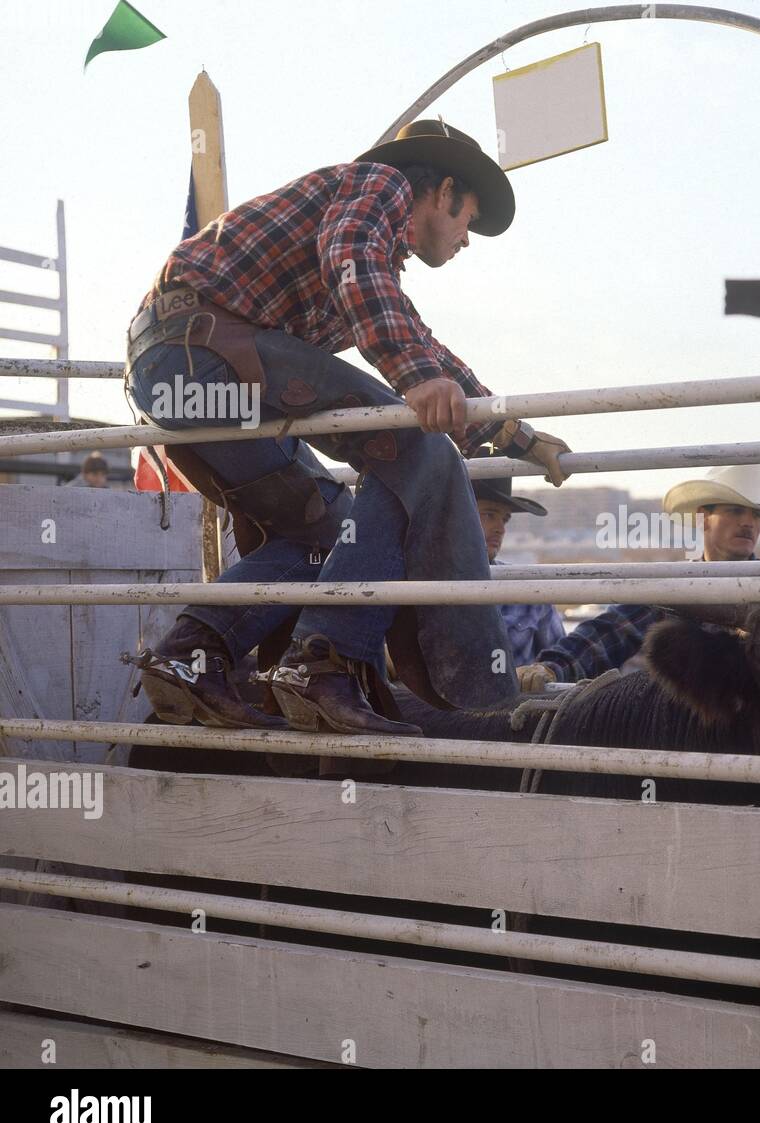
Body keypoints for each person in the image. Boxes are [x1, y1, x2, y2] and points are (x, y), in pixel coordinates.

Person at [124, 119, 571, 735]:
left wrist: (518, 434)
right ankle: (330, 664)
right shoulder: (379, 186)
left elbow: (427, 347)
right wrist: (413, 378)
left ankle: (190, 655)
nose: (467, 239)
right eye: (467, 218)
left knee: (323, 527)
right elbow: (354, 261)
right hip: (204, 350)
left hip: (178, 371)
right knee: (417, 447)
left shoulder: (374, 262)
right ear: (442, 192)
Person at [515, 463, 760, 689]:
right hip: (685, 729)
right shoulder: (676, 588)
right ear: (703, 518)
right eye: (735, 511)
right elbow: (611, 631)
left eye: (757, 514)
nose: (748, 522)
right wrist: (553, 668)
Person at [471, 456, 565, 666]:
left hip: (515, 699)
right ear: (457, 515)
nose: (500, 528)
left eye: (504, 519)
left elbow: (561, 661)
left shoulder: (528, 590)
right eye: (489, 515)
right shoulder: (418, 584)